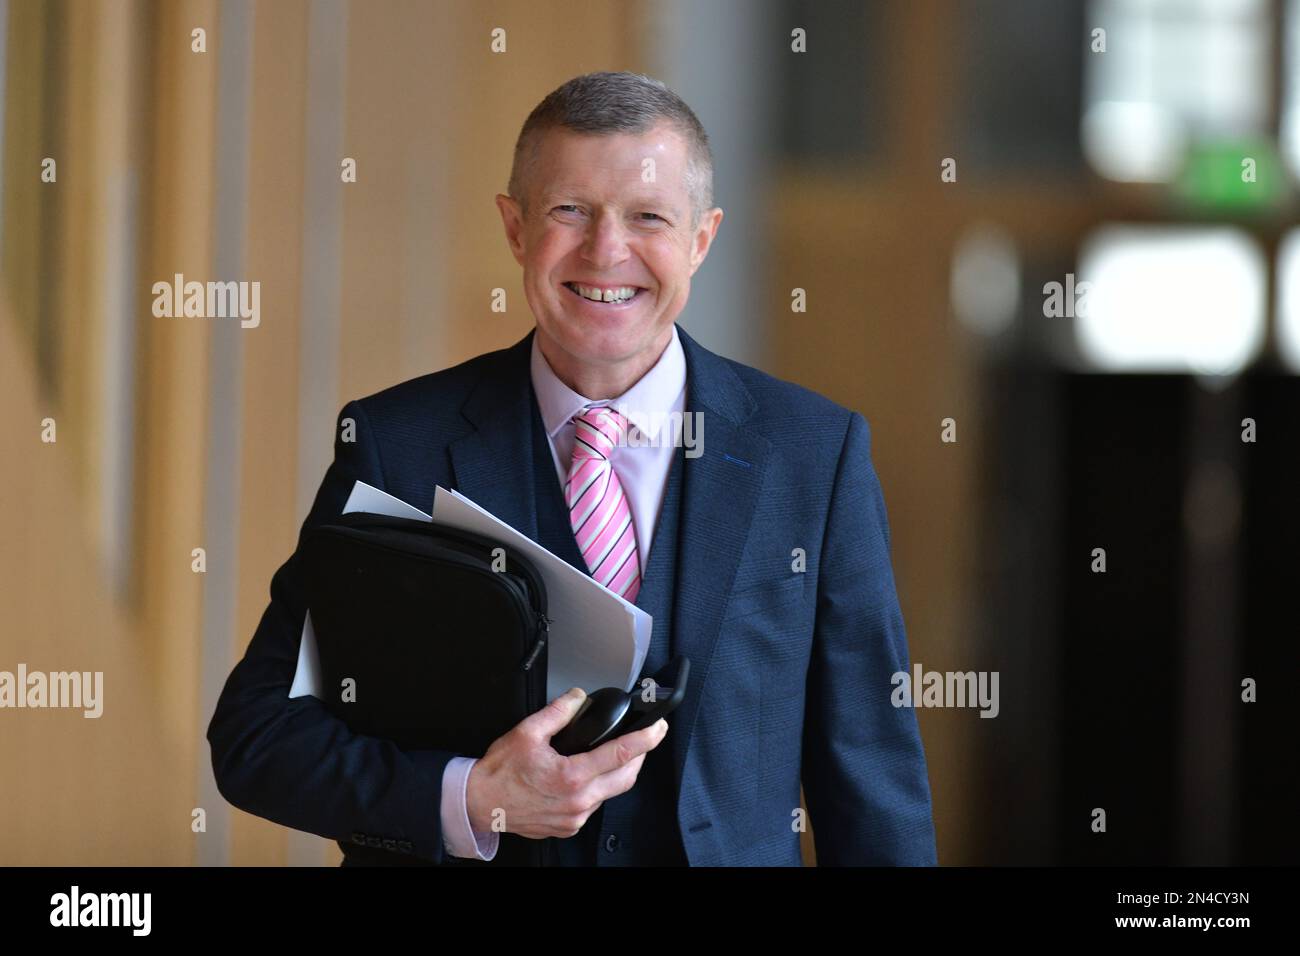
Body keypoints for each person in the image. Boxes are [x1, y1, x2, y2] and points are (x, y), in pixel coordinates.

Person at [207, 71, 937, 866]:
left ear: (701, 239)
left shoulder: (814, 455)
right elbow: (258, 735)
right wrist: (472, 797)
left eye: (648, 217)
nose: (606, 251)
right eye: (570, 211)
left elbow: (870, 780)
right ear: (515, 229)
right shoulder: (396, 443)